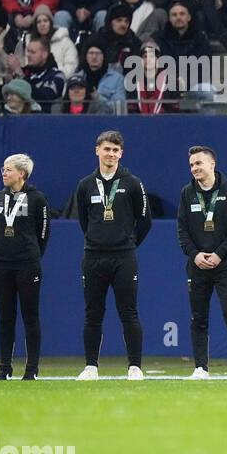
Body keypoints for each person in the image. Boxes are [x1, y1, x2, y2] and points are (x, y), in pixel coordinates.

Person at [74, 130, 152, 381]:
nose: (111, 154)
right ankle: (90, 367)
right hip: (94, 257)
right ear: (97, 150)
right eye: (107, 149)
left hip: (124, 257)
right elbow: (84, 222)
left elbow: (145, 221)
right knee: (92, 312)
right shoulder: (85, 185)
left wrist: (127, 243)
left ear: (122, 154)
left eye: (116, 150)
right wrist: (98, 240)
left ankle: (135, 367)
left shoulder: (132, 183)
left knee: (128, 311)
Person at [176, 145, 227, 380]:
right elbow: (182, 230)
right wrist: (195, 254)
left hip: (226, 265)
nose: (194, 168)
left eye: (199, 163)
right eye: (192, 164)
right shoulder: (187, 193)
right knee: (198, 318)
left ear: (212, 165)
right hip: (197, 266)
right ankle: (200, 368)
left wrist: (220, 254)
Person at [0, 153, 48, 380]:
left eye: (8, 169)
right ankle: (4, 368)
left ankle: (31, 369)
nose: (3, 173)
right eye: (3, 169)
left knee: (30, 317)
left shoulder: (37, 199)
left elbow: (43, 233)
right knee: (6, 317)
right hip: (1, 265)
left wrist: (31, 256)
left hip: (27, 265)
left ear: (21, 174)